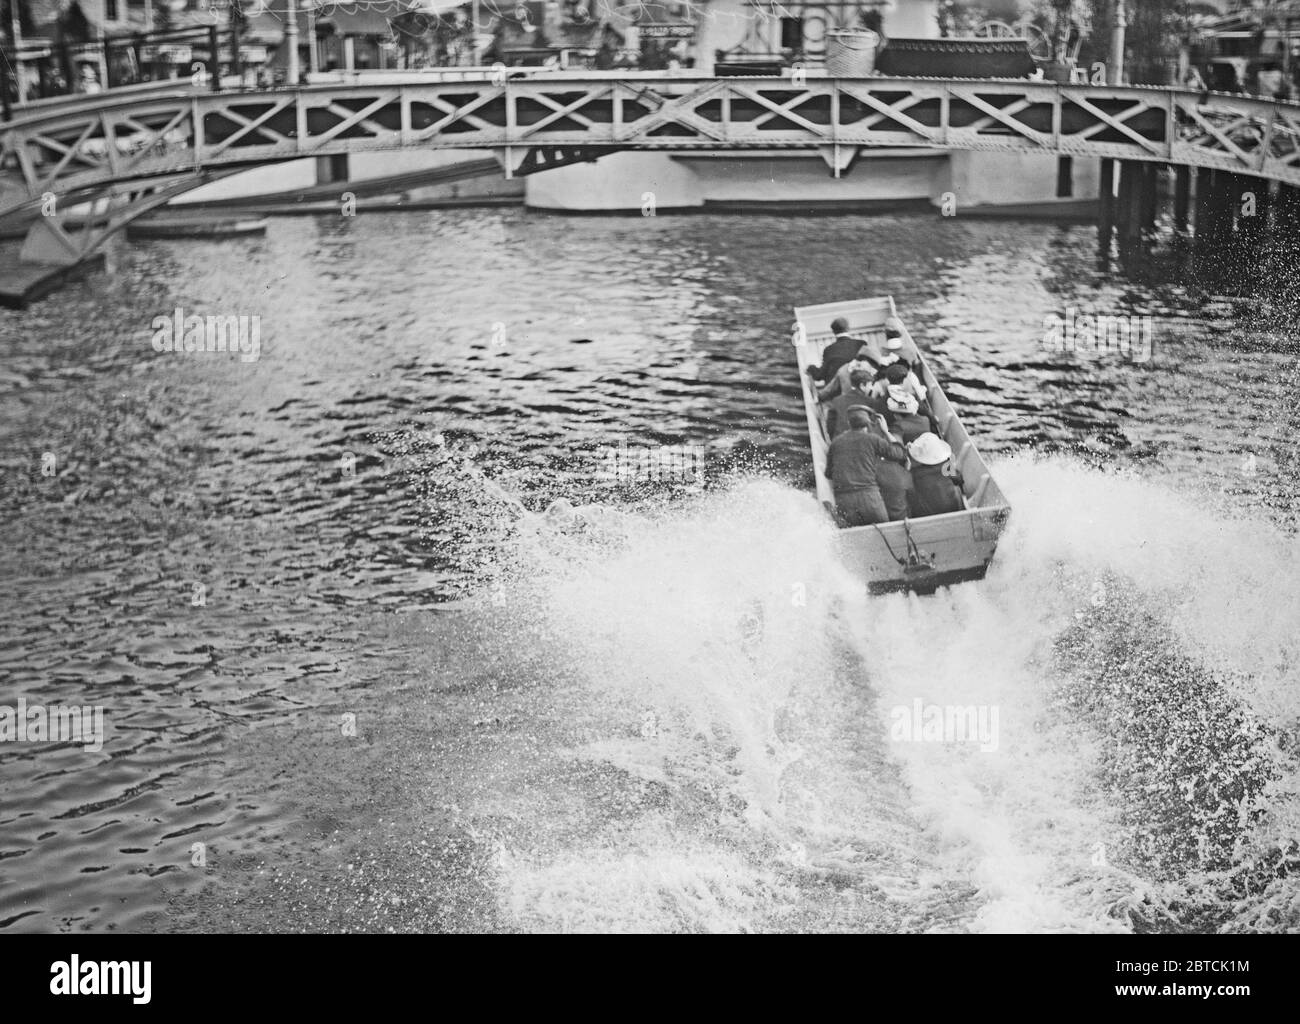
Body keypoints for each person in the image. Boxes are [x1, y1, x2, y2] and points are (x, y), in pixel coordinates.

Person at [823, 407, 909, 527]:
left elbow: (828, 474)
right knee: (886, 534)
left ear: (849, 423)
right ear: (868, 424)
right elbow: (900, 454)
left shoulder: (836, 442)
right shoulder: (872, 439)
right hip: (870, 499)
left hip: (844, 501)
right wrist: (885, 431)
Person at [806, 317, 883, 384]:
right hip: (861, 386)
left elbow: (820, 375)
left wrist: (811, 367)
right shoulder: (860, 344)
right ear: (848, 328)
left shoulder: (829, 350)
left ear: (833, 331)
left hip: (837, 392)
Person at [908, 433, 966, 517]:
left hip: (927, 514)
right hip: (952, 508)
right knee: (956, 489)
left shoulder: (914, 473)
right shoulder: (946, 466)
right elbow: (959, 479)